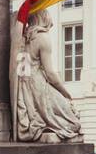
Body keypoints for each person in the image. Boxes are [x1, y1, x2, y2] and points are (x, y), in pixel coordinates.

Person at [14, 8, 84, 142]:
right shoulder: (43, 38)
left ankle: (47, 128)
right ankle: (51, 130)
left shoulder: (23, 37)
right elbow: (51, 74)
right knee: (74, 123)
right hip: (38, 85)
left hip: (23, 86)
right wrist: (65, 92)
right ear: (43, 17)